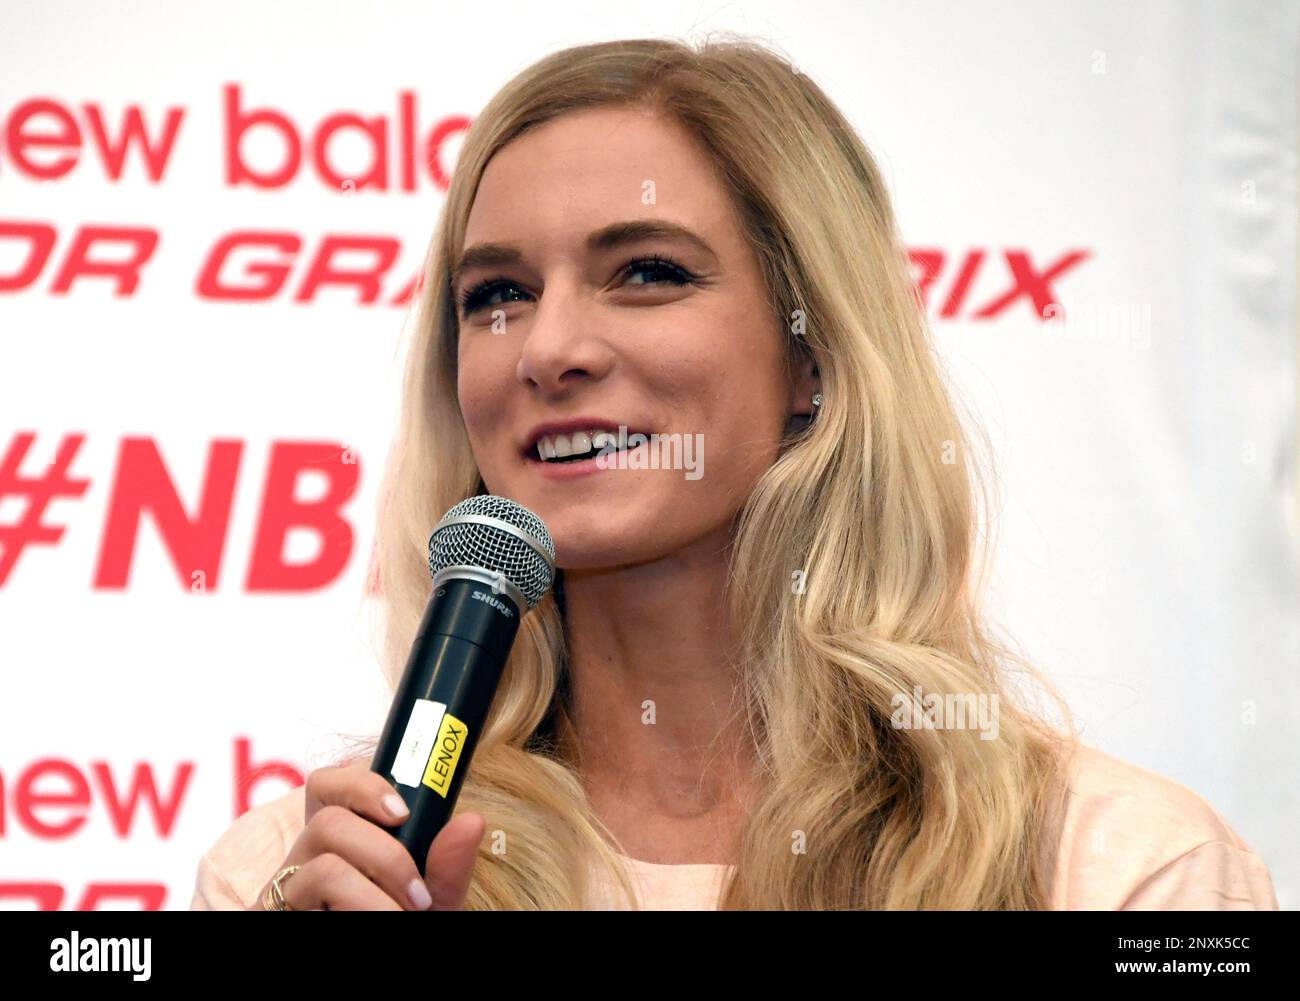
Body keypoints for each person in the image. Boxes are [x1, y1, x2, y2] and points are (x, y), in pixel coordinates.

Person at [189, 35, 1279, 911]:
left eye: (646, 273)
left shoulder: (1122, 867)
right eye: (498, 295)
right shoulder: (302, 876)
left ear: (811, 354)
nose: (547, 348)